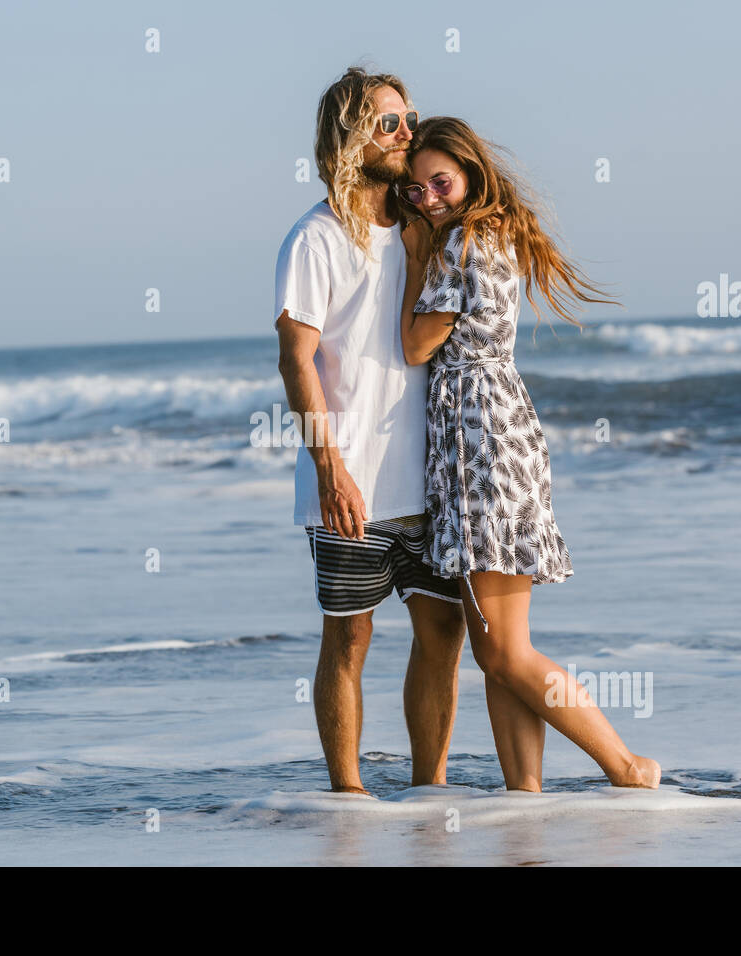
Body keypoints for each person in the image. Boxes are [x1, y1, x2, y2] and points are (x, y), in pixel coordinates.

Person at [398, 116, 661, 790]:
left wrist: (414, 254)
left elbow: (416, 345)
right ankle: (526, 796)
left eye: (440, 181)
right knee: (496, 652)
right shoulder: (493, 231)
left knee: (508, 652)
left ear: (470, 171)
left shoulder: (457, 241)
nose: (429, 196)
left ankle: (626, 765)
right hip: (498, 434)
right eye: (417, 189)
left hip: (480, 444)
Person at [274, 68, 467, 796]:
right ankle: (348, 798)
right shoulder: (315, 237)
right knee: (349, 638)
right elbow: (297, 358)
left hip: (431, 479)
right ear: (351, 136)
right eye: (390, 123)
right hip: (348, 481)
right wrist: (330, 468)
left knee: (442, 639)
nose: (408, 132)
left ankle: (431, 790)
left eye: (409, 117)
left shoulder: (424, 230)